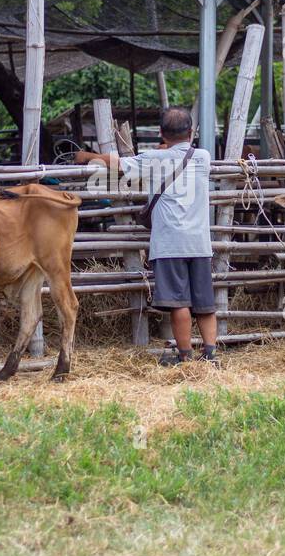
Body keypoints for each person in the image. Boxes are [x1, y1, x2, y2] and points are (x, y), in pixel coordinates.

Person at [75, 107, 218, 365]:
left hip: (169, 243)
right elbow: (177, 155)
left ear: (161, 133)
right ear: (192, 132)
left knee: (179, 302)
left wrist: (88, 155)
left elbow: (117, 163)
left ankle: (185, 358)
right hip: (200, 244)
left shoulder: (151, 158)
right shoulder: (204, 157)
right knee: (205, 303)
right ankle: (210, 354)